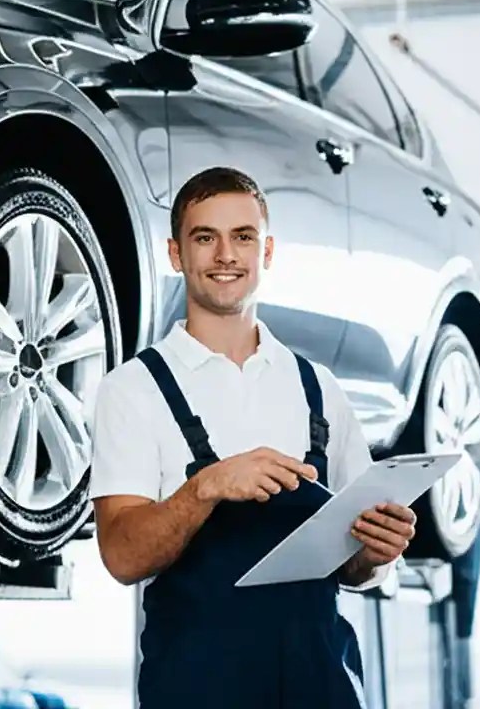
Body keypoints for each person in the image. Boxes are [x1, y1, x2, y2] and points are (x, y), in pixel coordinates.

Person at [89, 166, 418, 708]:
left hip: (323, 685)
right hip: (198, 690)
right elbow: (122, 557)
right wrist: (208, 486)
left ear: (266, 253)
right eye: (205, 238)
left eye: (242, 237)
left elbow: (359, 568)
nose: (225, 255)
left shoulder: (319, 388)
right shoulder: (133, 390)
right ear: (176, 254)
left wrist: (379, 551)